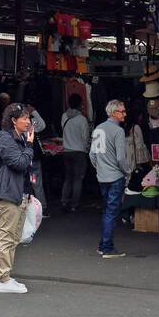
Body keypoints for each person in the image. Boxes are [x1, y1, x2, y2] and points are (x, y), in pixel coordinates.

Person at [0, 104, 36, 293]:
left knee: (14, 237)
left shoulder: (18, 139)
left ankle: (6, 276)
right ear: (13, 121)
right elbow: (19, 163)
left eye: (28, 118)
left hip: (18, 193)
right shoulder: (5, 139)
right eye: (24, 118)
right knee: (6, 236)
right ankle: (3, 279)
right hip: (8, 193)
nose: (28, 122)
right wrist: (31, 145)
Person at [89, 100, 131, 258]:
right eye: (122, 111)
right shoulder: (118, 131)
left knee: (107, 211)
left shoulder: (98, 128)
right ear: (113, 112)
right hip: (115, 176)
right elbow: (121, 158)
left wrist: (99, 167)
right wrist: (127, 171)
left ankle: (102, 244)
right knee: (111, 213)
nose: (124, 114)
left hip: (102, 176)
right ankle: (107, 247)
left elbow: (92, 154)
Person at [60, 94, 91, 213]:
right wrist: (86, 147)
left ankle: (64, 201)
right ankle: (74, 204)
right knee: (78, 179)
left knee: (68, 178)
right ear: (80, 104)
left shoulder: (64, 116)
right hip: (79, 152)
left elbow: (63, 129)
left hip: (66, 151)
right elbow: (85, 137)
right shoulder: (82, 119)